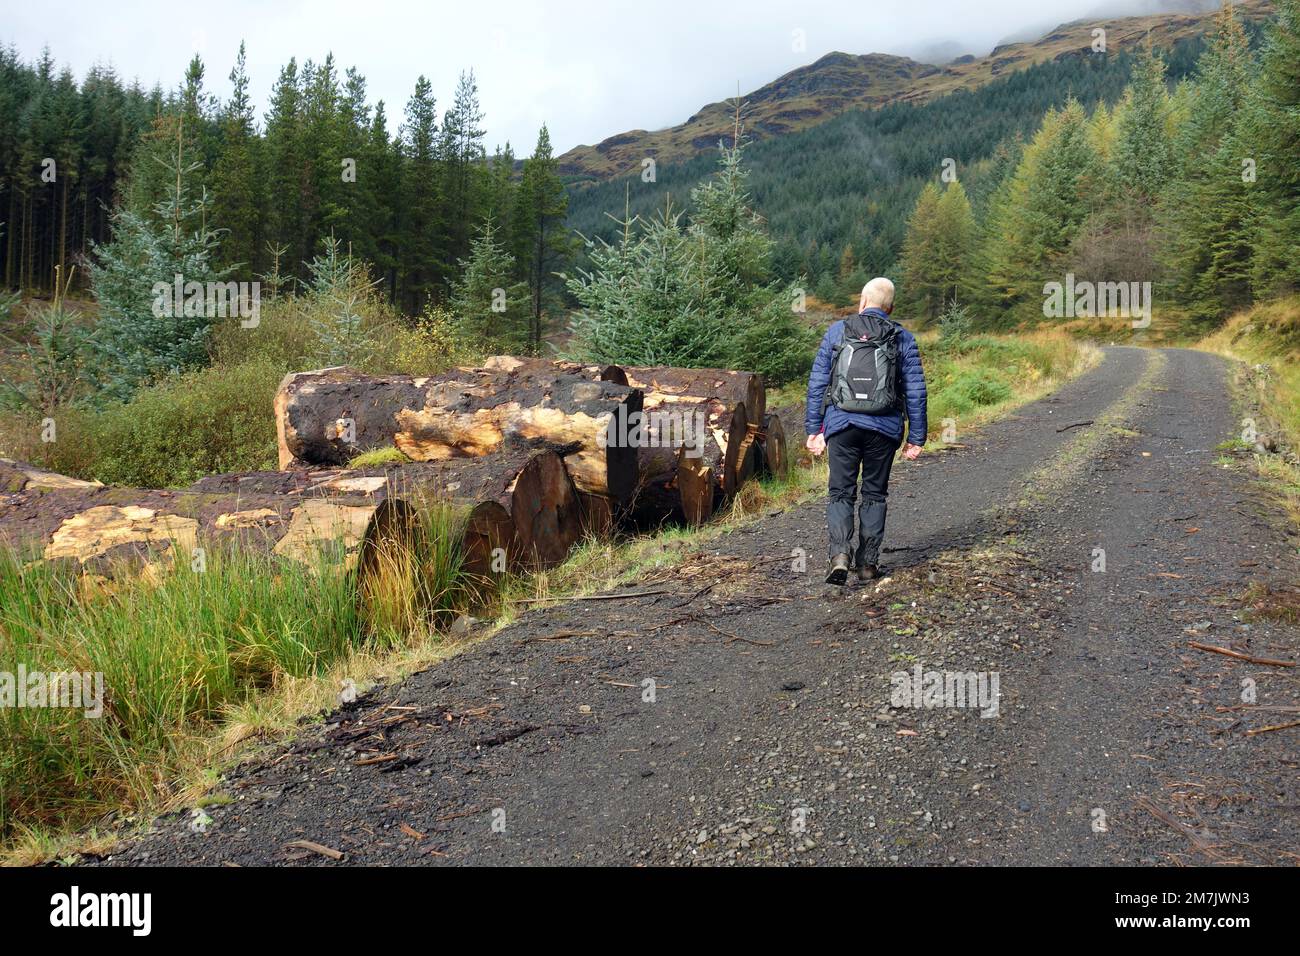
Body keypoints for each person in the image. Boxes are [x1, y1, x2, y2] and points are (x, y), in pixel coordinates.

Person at [805, 277, 927, 585]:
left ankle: (839, 557)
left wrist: (814, 429)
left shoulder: (837, 331)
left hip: (841, 424)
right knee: (874, 493)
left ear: (862, 301)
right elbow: (915, 390)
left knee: (840, 493)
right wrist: (916, 436)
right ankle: (868, 563)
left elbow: (819, 383)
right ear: (891, 307)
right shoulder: (902, 337)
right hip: (883, 429)